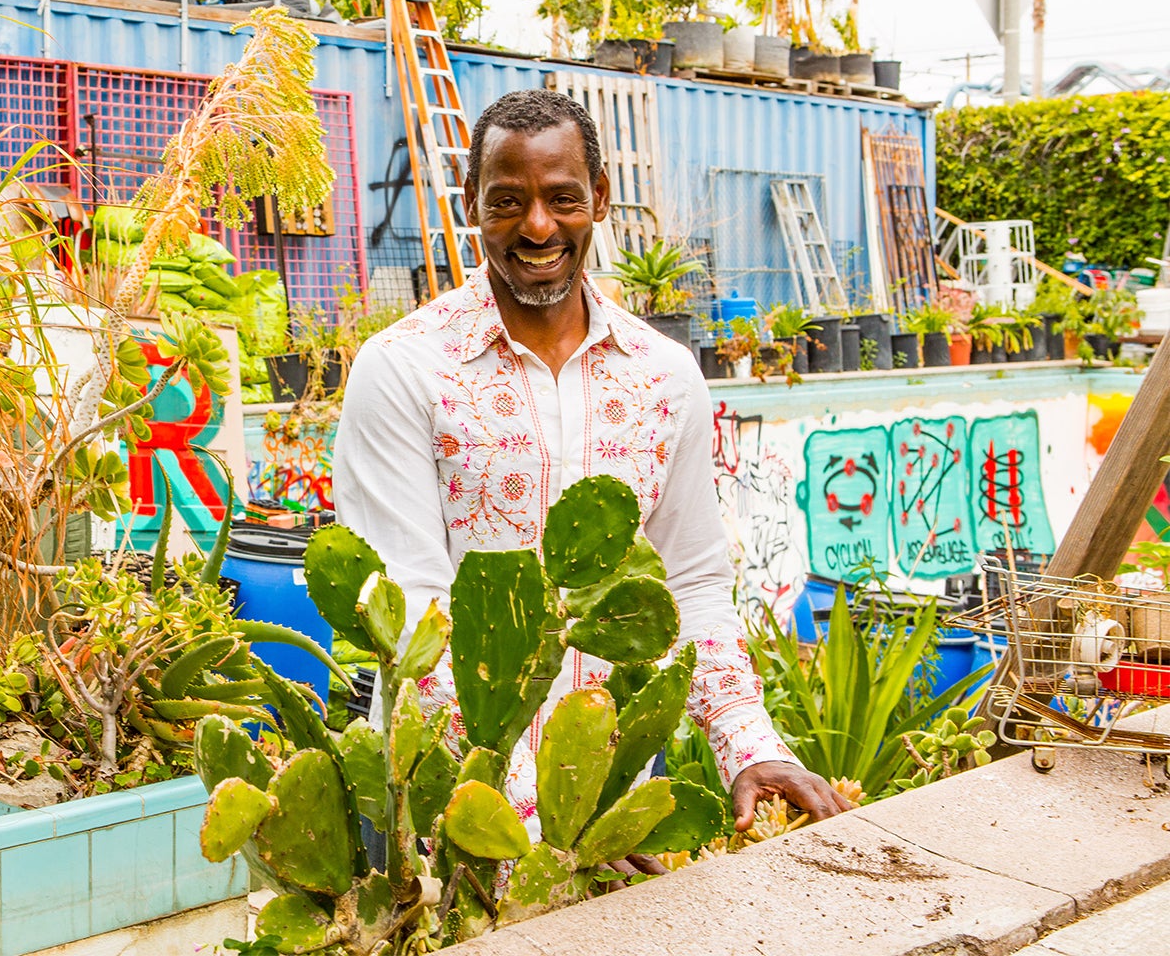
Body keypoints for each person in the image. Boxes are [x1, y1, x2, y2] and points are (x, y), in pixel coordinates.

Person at [334, 89, 849, 874]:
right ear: (473, 207)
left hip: (609, 802)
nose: (537, 226)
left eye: (561, 198)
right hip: (439, 817)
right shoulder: (405, 370)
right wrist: (536, 833)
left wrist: (747, 745)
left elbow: (695, 582)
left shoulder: (664, 378)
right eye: (507, 201)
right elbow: (410, 615)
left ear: (599, 201)